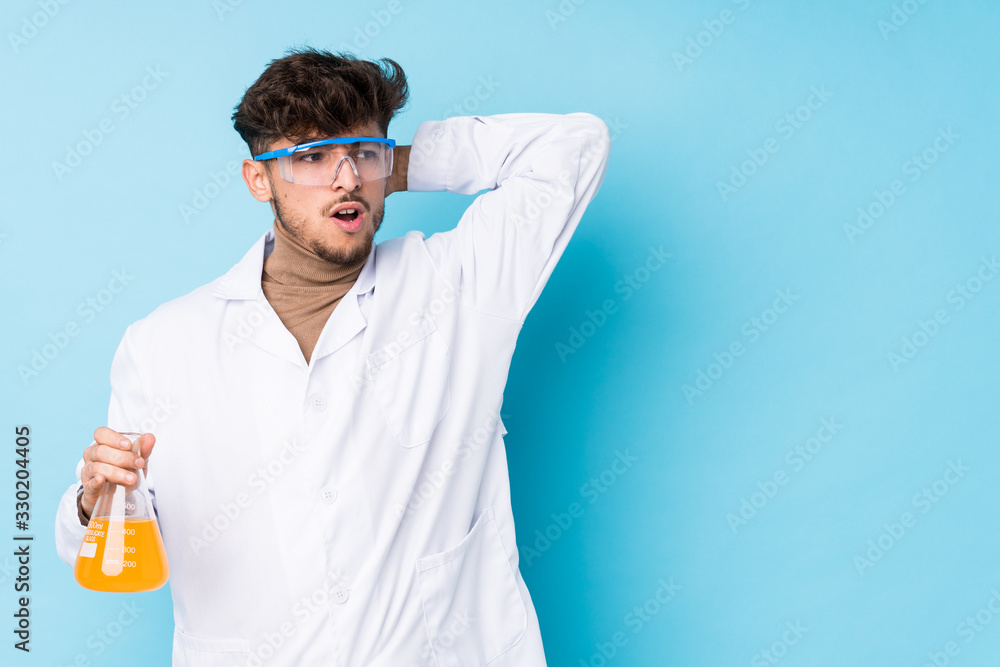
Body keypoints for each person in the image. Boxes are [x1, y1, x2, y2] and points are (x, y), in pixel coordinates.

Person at [55, 47, 610, 666]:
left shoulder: (459, 286)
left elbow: (575, 146)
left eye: (361, 156)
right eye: (311, 157)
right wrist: (92, 499)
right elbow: (111, 534)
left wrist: (394, 162)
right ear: (257, 179)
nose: (346, 179)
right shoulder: (163, 344)